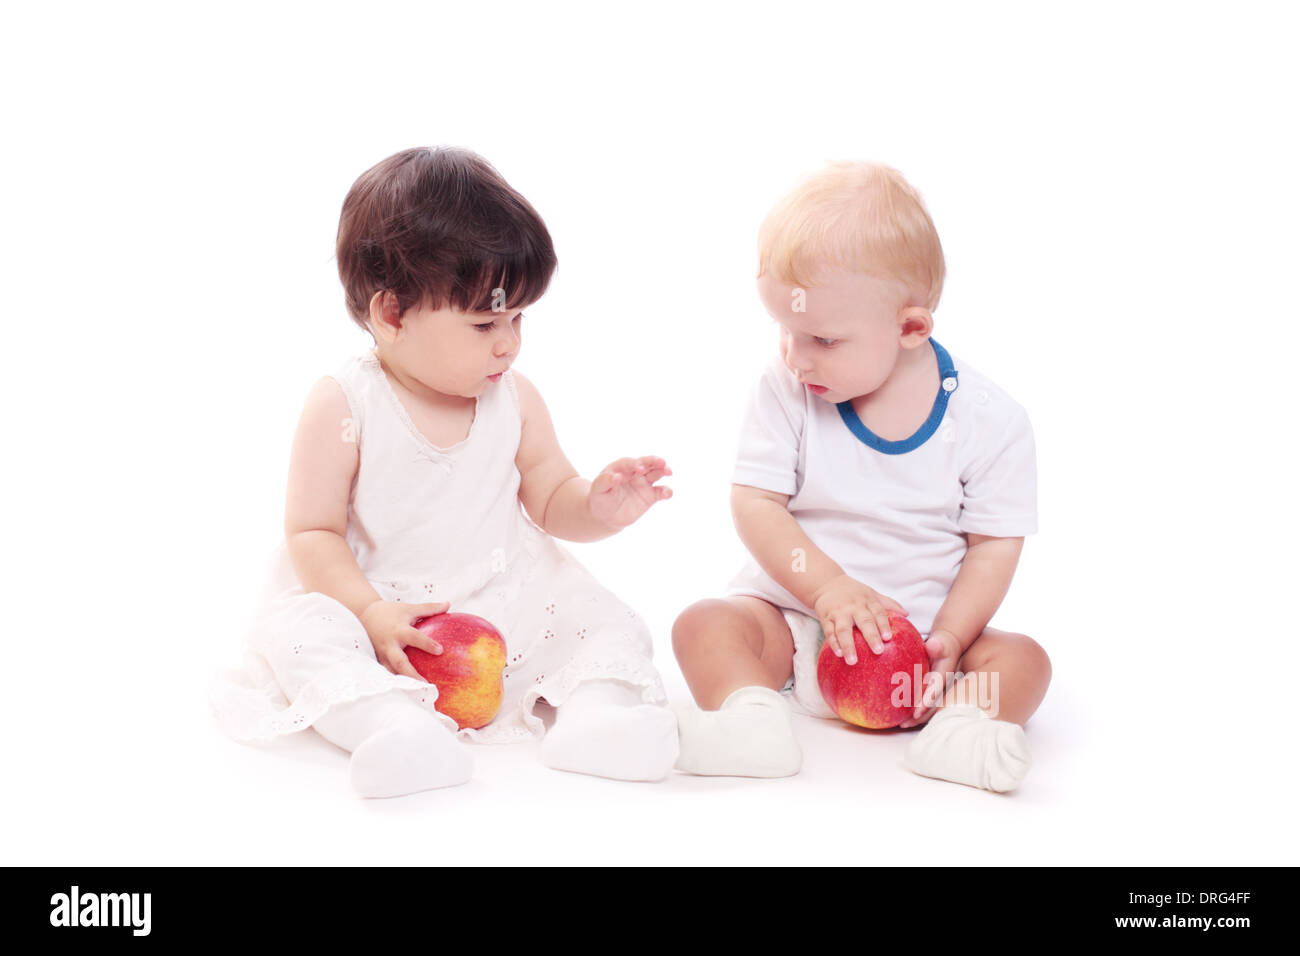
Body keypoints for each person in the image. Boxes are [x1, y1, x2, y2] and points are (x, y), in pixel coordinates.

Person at [210, 147, 678, 797]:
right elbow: (312, 532)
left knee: (603, 621)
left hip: (502, 597)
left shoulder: (515, 398)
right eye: (486, 321)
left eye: (518, 318)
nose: (509, 342)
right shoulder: (346, 402)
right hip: (379, 610)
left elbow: (550, 497)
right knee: (304, 640)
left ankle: (594, 721)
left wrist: (596, 508)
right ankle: (396, 728)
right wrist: (369, 613)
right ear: (392, 315)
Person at [671, 161, 1051, 792]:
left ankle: (959, 732)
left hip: (925, 649)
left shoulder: (992, 422)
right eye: (785, 331)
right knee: (703, 625)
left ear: (909, 328)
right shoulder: (785, 389)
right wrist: (828, 591)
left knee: (1023, 663)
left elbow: (993, 545)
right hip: (797, 632)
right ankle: (752, 720)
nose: (796, 358)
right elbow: (757, 503)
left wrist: (952, 636)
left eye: (821, 338)